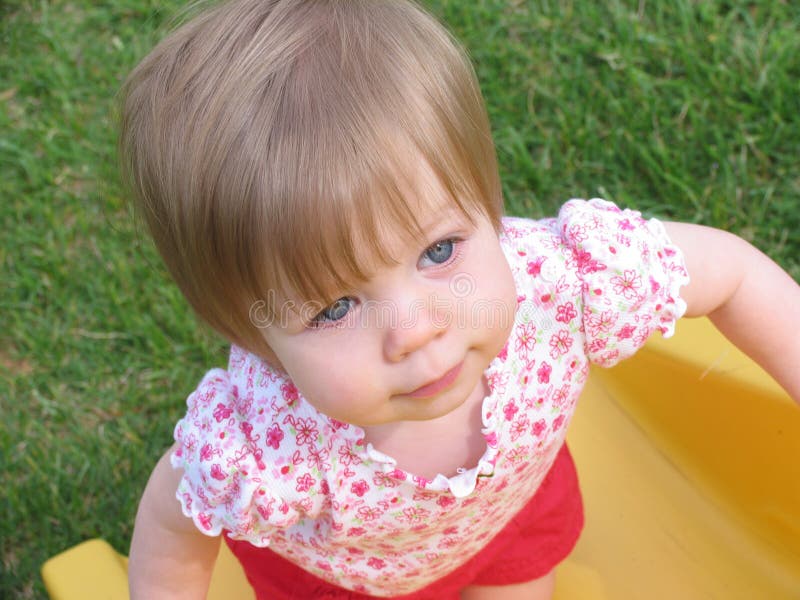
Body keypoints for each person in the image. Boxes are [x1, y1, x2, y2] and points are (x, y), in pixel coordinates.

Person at [119, 0, 800, 598]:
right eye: (333, 308)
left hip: (515, 517)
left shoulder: (569, 283)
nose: (414, 329)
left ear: (487, 202)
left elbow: (734, 274)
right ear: (251, 337)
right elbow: (171, 523)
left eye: (439, 251)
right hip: (352, 580)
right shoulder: (267, 444)